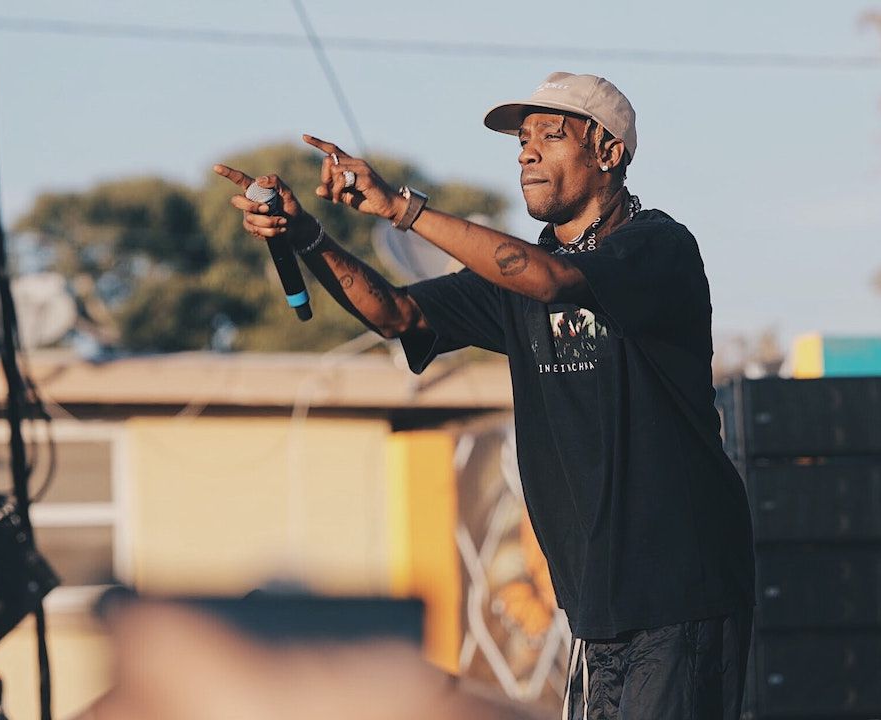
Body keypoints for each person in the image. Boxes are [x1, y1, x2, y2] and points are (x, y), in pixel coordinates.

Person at [213, 72, 756, 720]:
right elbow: (395, 313)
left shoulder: (656, 249)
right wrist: (306, 236)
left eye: (551, 136)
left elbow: (552, 280)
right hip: (594, 611)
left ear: (609, 152)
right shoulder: (516, 283)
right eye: (522, 141)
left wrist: (402, 209)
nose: (526, 152)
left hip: (681, 595)